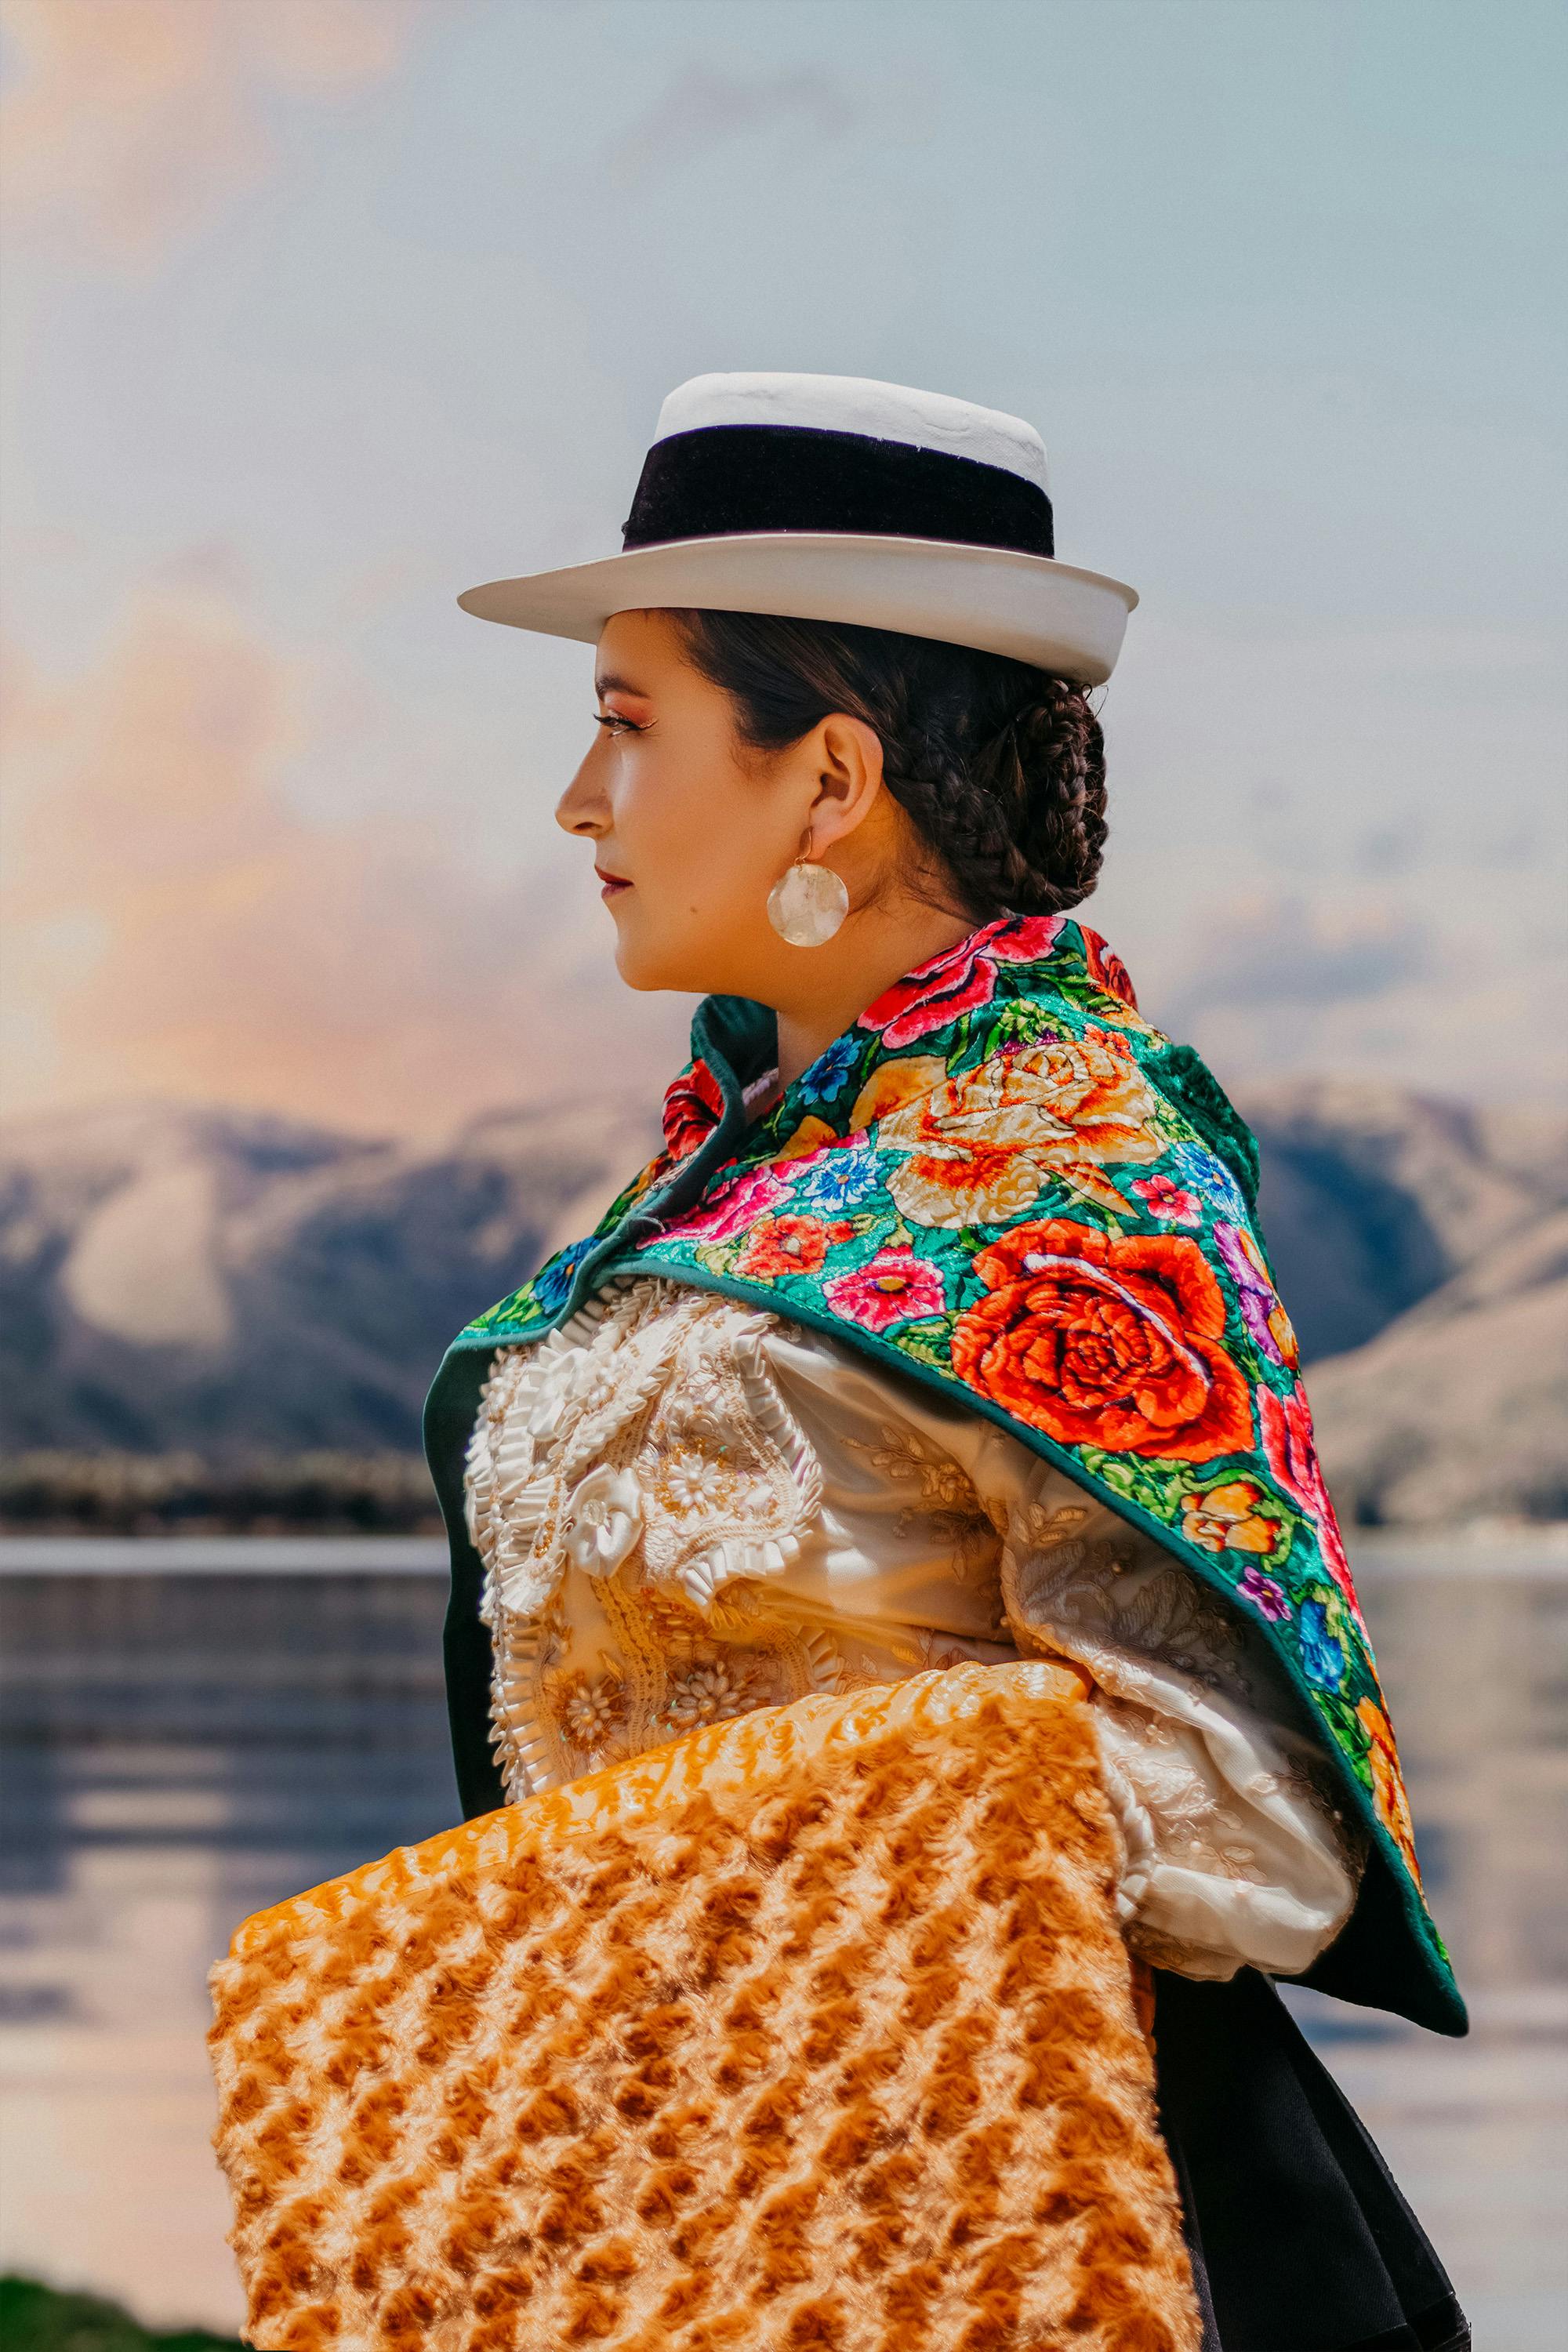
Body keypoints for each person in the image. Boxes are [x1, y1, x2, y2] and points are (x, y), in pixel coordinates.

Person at [422, 372, 1470, 2350]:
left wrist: (712, 1905)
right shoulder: (733, 1178)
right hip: (704, 2212)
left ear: (828, 781)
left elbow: (1243, 1816)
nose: (577, 804)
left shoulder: (1074, 1168)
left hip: (1029, 2227)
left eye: (625, 731)